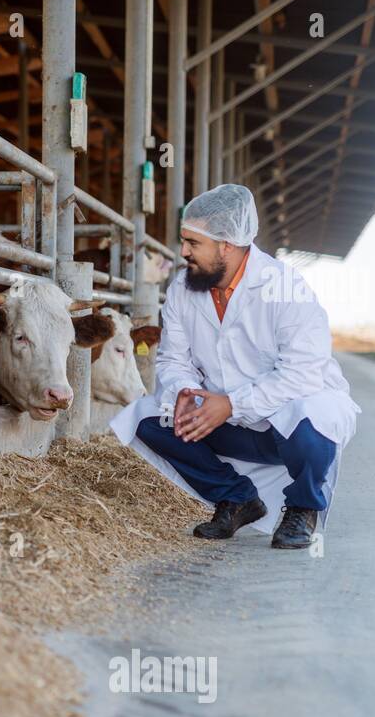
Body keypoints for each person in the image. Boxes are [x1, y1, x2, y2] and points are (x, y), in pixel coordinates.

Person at [109, 184, 361, 549]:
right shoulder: (182, 289)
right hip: (226, 421)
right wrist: (184, 391)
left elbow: (302, 373)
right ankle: (236, 496)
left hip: (284, 423)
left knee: (316, 413)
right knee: (149, 417)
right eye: (184, 241)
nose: (183, 253)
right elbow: (173, 358)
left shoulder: (286, 287)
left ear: (226, 244)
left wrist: (230, 404)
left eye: (193, 244)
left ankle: (302, 508)